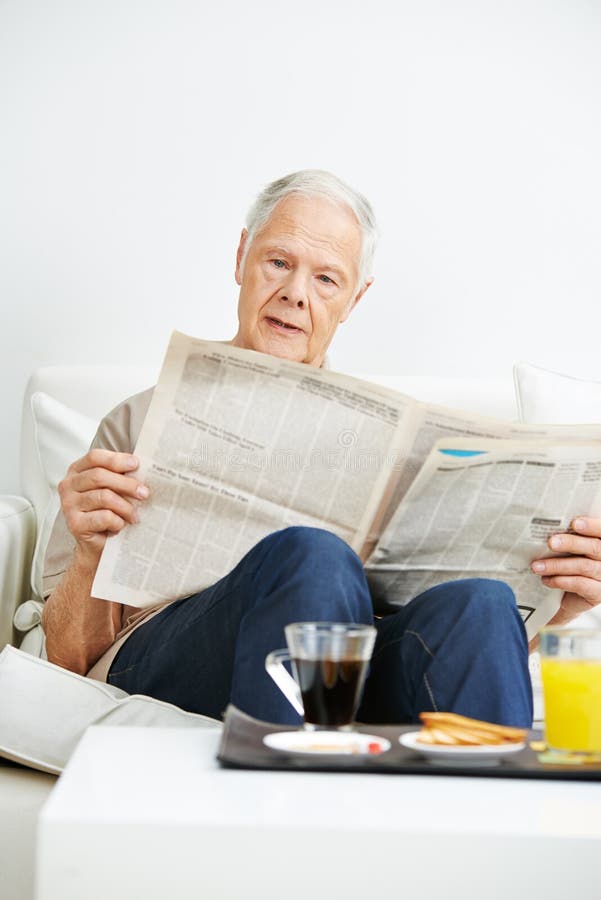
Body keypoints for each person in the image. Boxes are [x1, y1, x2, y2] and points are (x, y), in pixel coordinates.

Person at [41, 170, 601, 729]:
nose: (296, 294)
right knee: (315, 557)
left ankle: (487, 813)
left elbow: (467, 657)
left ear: (355, 299)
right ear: (241, 257)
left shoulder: (390, 440)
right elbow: (68, 659)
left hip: (347, 665)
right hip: (174, 657)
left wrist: (563, 606)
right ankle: (290, 800)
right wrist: (91, 552)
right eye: (279, 263)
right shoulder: (139, 420)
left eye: (327, 279)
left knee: (481, 603)